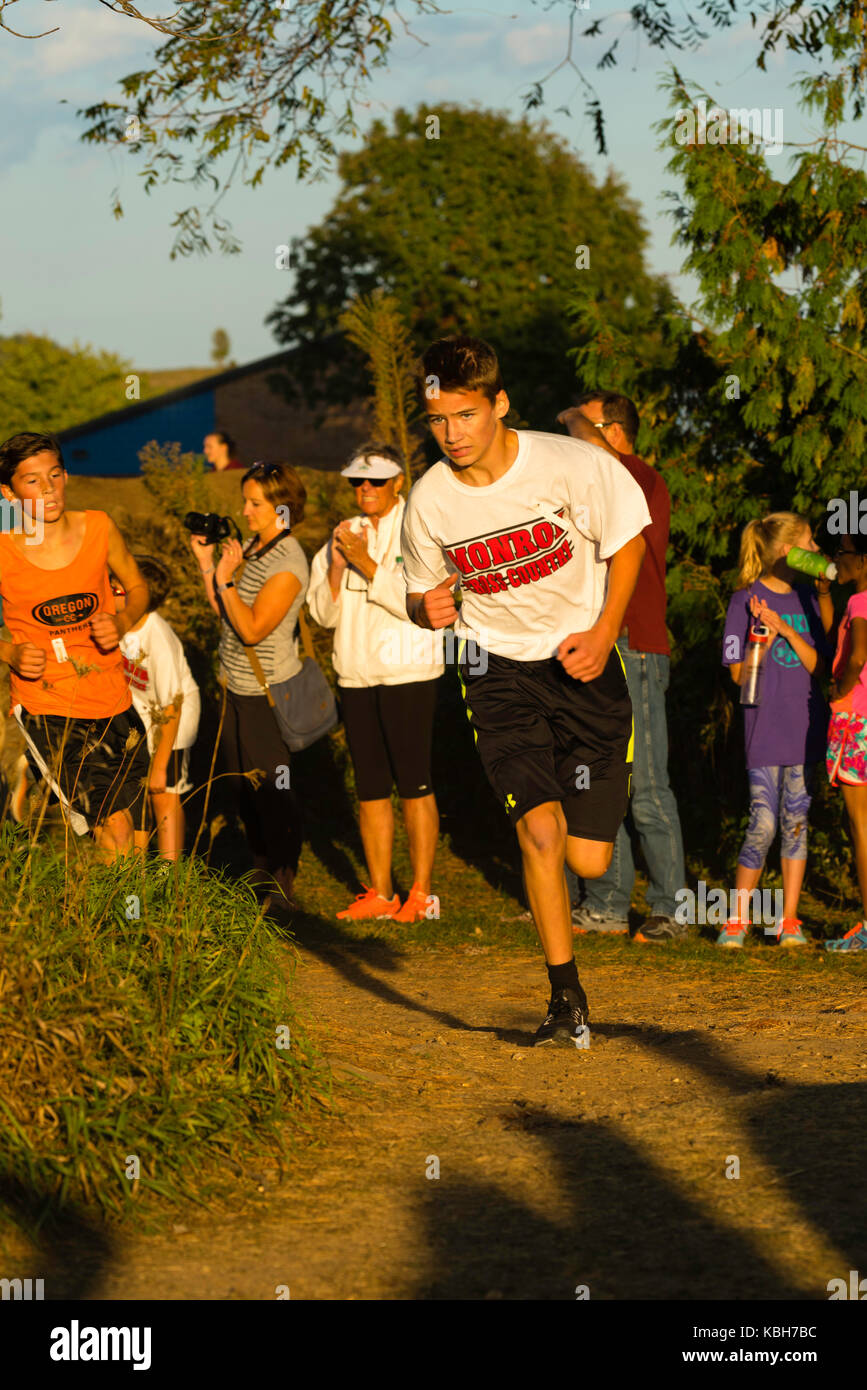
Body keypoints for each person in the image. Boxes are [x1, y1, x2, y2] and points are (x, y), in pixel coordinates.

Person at [401, 335, 650, 1049]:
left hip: (583, 663)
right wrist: (427, 610)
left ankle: (594, 814)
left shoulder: (571, 464)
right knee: (537, 831)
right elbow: (420, 593)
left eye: (466, 416)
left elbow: (628, 542)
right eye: (438, 421)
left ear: (499, 403)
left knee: (587, 859)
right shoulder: (428, 504)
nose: (452, 435)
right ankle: (564, 997)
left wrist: (605, 631)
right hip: (495, 672)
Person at [559, 392, 686, 942]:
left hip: (635, 645)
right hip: (595, 647)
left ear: (613, 431)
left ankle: (672, 910)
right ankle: (606, 906)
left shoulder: (635, 473)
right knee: (599, 778)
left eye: (586, 427)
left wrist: (568, 419)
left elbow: (603, 466)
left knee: (649, 785)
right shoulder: (590, 483)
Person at [308, 443, 444, 923]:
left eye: (376, 481)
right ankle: (382, 892)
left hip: (409, 670)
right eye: (357, 482)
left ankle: (423, 893)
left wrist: (367, 564)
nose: (364, 489)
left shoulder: (422, 529)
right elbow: (322, 615)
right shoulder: (343, 535)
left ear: (399, 482)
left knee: (414, 784)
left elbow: (423, 605)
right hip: (357, 673)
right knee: (369, 787)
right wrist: (335, 567)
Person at [0, 432, 151, 859]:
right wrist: (10, 652)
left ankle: (130, 921)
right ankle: (121, 919)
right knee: (116, 831)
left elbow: (138, 587)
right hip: (49, 706)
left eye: (54, 475)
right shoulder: (3, 546)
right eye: (32, 481)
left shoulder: (99, 527)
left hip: (112, 695)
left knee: (138, 838)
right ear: (7, 492)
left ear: (66, 475)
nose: (48, 489)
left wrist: (122, 620)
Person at [191, 461, 308, 908]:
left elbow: (255, 628)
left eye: (255, 503)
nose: (245, 511)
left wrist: (225, 580)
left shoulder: (289, 560)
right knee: (243, 787)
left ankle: (282, 880)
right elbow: (227, 614)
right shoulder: (255, 550)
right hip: (236, 686)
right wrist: (209, 568)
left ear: (283, 507)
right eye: (245, 500)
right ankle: (259, 871)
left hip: (269, 693)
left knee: (274, 789)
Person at [721, 512, 833, 947]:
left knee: (796, 821)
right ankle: (737, 920)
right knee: (763, 821)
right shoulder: (743, 600)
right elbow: (737, 675)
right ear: (790, 551)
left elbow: (821, 665)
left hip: (805, 729)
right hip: (764, 729)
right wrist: (761, 635)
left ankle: (789, 921)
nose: (818, 552)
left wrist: (786, 625)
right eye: (811, 543)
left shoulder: (807, 596)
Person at [115, 555, 201, 861]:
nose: (111, 592)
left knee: (164, 794)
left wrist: (161, 766)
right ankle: (135, 867)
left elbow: (172, 706)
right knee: (136, 793)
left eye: (118, 588)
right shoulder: (119, 625)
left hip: (173, 723)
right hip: (142, 717)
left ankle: (169, 872)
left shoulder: (159, 638)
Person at [824, 530, 867, 950]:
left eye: (845, 552)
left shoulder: (858, 602)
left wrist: (840, 690)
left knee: (862, 828)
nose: (838, 558)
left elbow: (856, 656)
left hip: (856, 720)